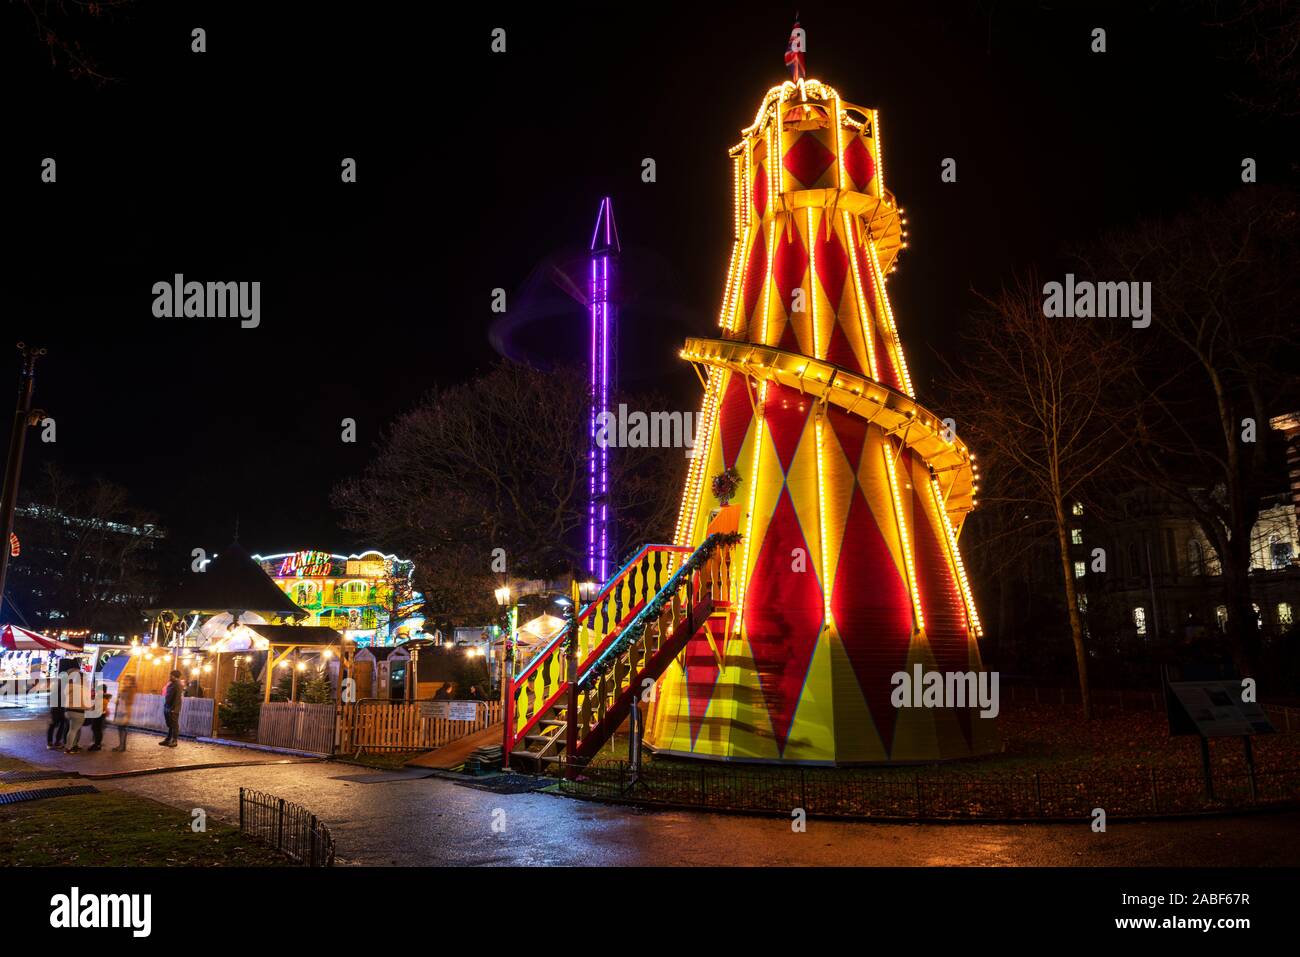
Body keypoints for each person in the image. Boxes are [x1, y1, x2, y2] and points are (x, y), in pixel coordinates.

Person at [63, 671, 90, 753]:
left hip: (68, 711)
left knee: (74, 729)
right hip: (78, 712)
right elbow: (86, 703)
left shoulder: (69, 687)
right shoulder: (83, 689)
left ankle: (74, 745)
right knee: (73, 730)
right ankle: (68, 748)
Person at [112, 674, 136, 752]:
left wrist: (121, 699)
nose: (125, 681)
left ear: (131, 681)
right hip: (121, 710)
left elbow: (129, 701)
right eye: (125, 679)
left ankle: (122, 746)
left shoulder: (130, 689)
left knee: (122, 728)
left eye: (127, 679)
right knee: (120, 728)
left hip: (125, 711)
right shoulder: (125, 688)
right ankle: (121, 745)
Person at [160, 669, 183, 747]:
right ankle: (168, 739)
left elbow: (177, 698)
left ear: (174, 676)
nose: (169, 676)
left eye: (171, 675)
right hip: (168, 707)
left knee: (174, 725)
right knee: (170, 724)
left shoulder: (178, 684)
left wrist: (174, 709)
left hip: (173, 708)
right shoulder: (172, 683)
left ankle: (174, 740)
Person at [86, 685, 111, 752]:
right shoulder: (102, 697)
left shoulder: (103, 698)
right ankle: (97, 744)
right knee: (96, 729)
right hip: (99, 715)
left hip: (99, 715)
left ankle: (97, 745)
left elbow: (98, 707)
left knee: (97, 730)